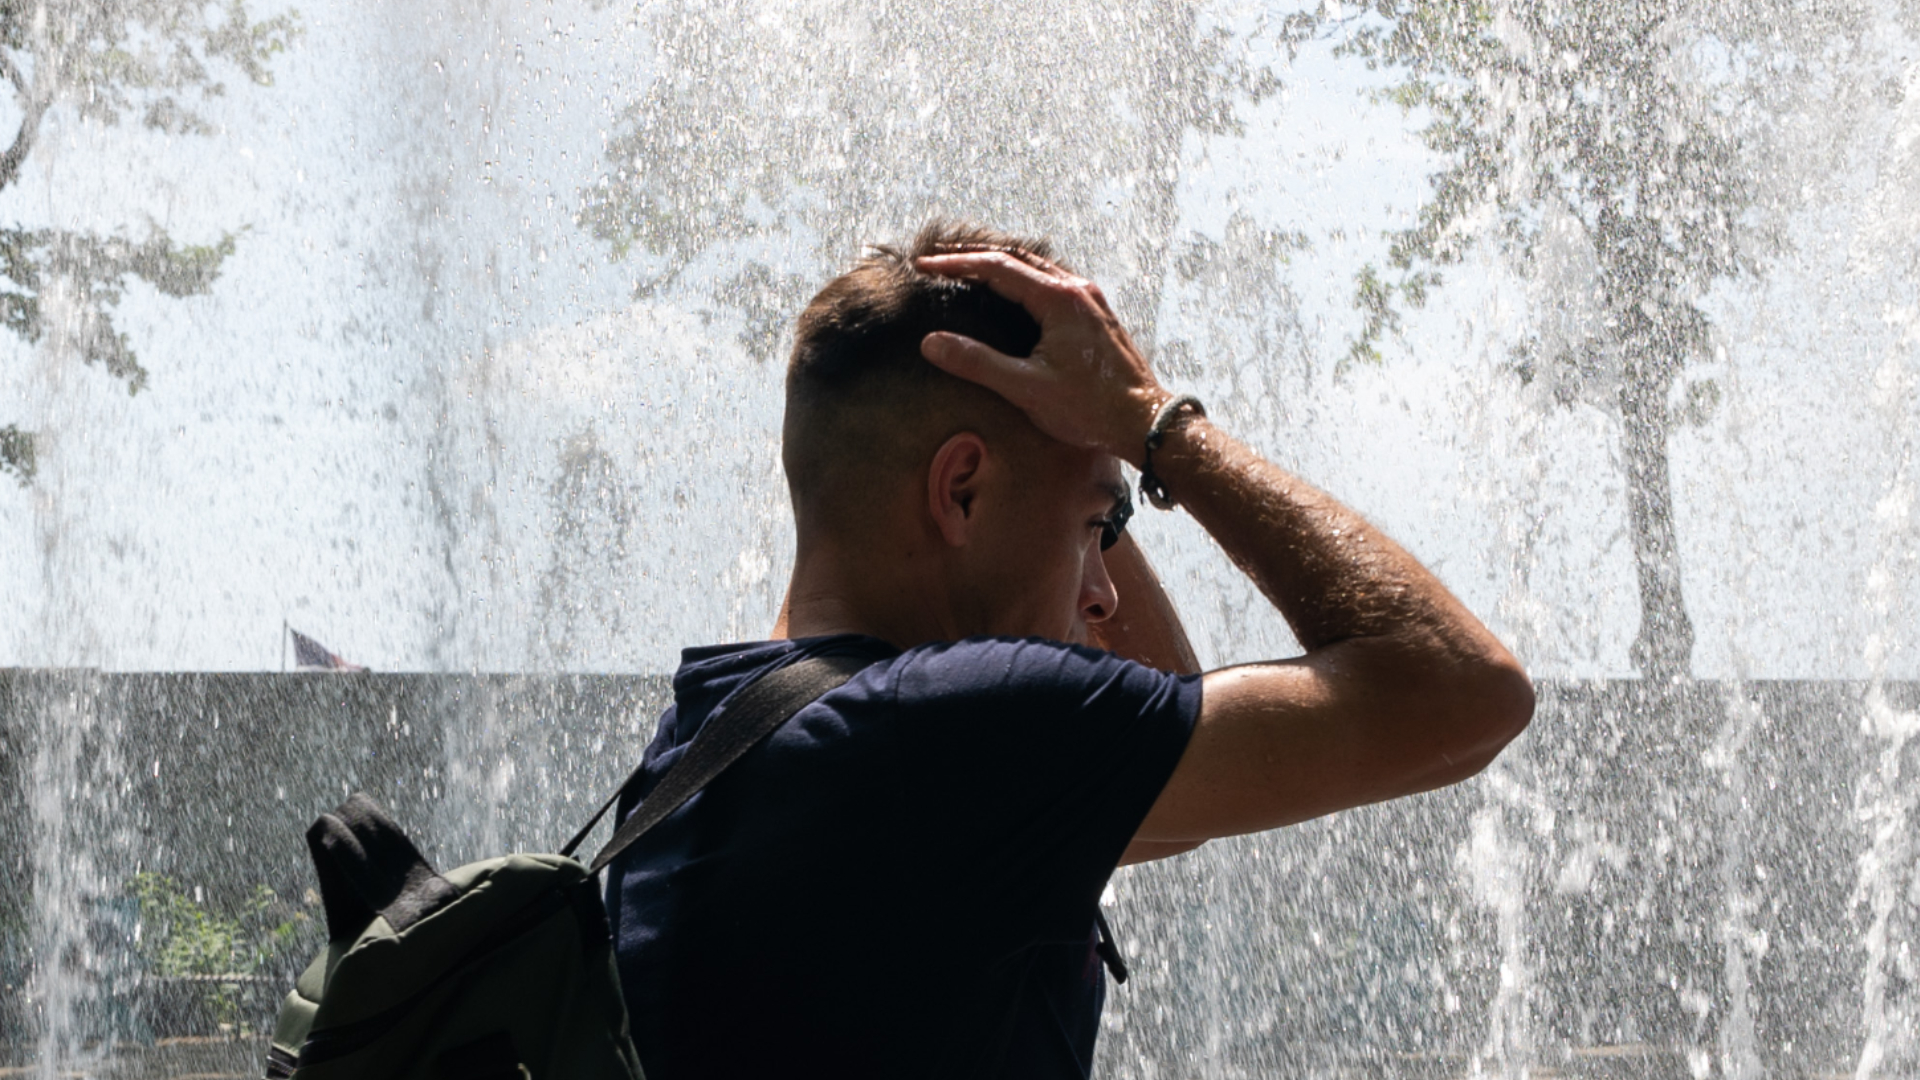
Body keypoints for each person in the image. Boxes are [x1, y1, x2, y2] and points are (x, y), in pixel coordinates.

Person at [603, 222, 1534, 1079]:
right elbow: (1465, 694)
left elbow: (1157, 729)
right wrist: (1148, 421)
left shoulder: (706, 744)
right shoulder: (949, 732)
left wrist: (1089, 464)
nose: (1103, 596)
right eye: (1094, 525)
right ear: (961, 492)